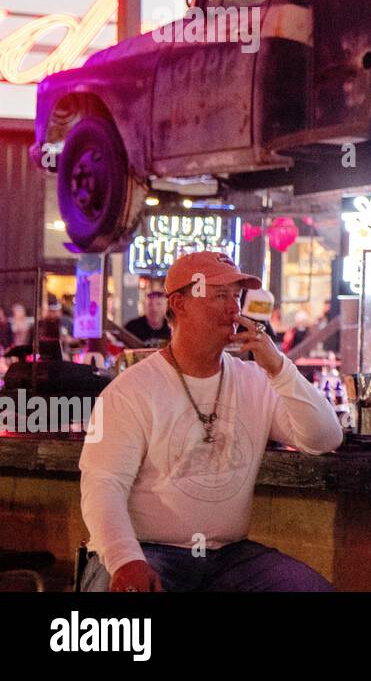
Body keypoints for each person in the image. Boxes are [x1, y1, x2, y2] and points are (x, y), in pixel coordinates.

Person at [78, 251, 344, 592]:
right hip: (146, 549)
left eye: (236, 296)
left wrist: (278, 367)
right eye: (220, 295)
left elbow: (324, 438)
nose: (234, 309)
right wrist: (125, 559)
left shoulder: (255, 381)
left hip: (227, 555)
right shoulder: (131, 391)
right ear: (180, 304)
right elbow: (102, 487)